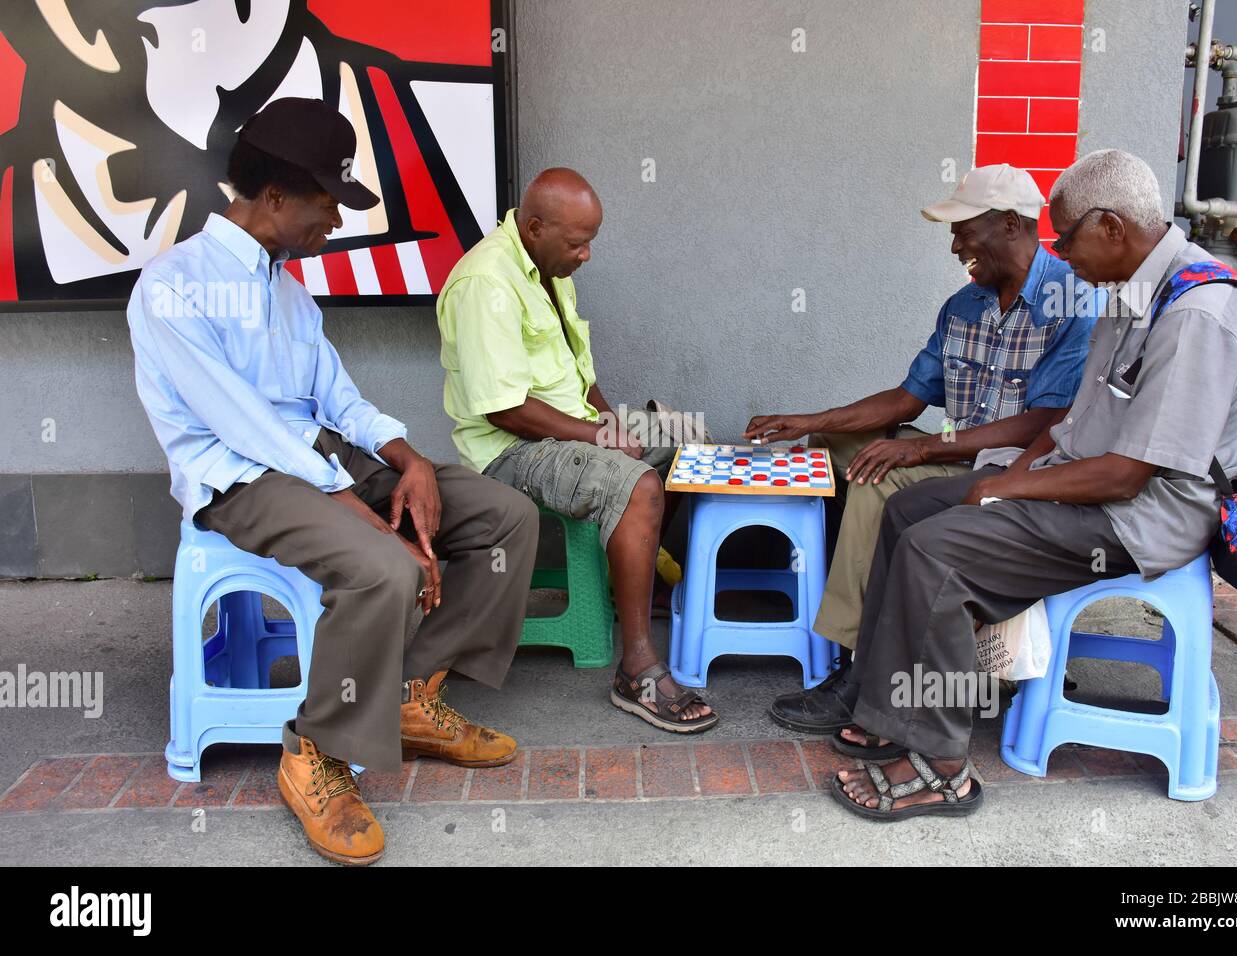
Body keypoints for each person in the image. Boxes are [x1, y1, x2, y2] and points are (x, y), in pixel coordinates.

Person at [127, 98, 538, 864]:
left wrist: (407, 459)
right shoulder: (173, 285)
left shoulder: (287, 288)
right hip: (243, 478)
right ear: (275, 197)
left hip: (317, 458)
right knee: (381, 566)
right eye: (325, 207)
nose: (335, 225)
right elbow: (244, 424)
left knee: (506, 517)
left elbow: (337, 398)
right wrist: (361, 510)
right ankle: (314, 749)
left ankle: (409, 695)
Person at [829, 148, 1237, 819]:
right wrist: (1019, 473)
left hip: (1139, 517)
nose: (1057, 249)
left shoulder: (1197, 312)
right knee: (911, 509)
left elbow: (1128, 474)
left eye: (1066, 234)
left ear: (1113, 227)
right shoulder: (1135, 295)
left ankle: (943, 765)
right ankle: (890, 704)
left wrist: (1008, 492)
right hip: (1083, 483)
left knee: (935, 552)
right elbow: (1071, 423)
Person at [749, 164, 1101, 734]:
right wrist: (808, 419)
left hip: (1017, 468)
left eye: (964, 229)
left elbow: (1043, 423)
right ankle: (856, 596)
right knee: (838, 445)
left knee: (875, 482)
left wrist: (923, 451)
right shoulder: (963, 306)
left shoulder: (1074, 305)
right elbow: (908, 399)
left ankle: (860, 668)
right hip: (954, 449)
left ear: (1011, 224)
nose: (955, 243)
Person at [436, 167, 719, 733]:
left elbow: (577, 374)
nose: (586, 255)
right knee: (635, 482)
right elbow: (504, 408)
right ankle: (636, 668)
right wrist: (603, 439)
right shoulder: (485, 283)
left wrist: (612, 424)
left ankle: (639, 583)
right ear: (534, 226)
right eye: (577, 243)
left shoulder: (547, 265)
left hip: (569, 430)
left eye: (590, 241)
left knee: (690, 443)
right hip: (511, 450)